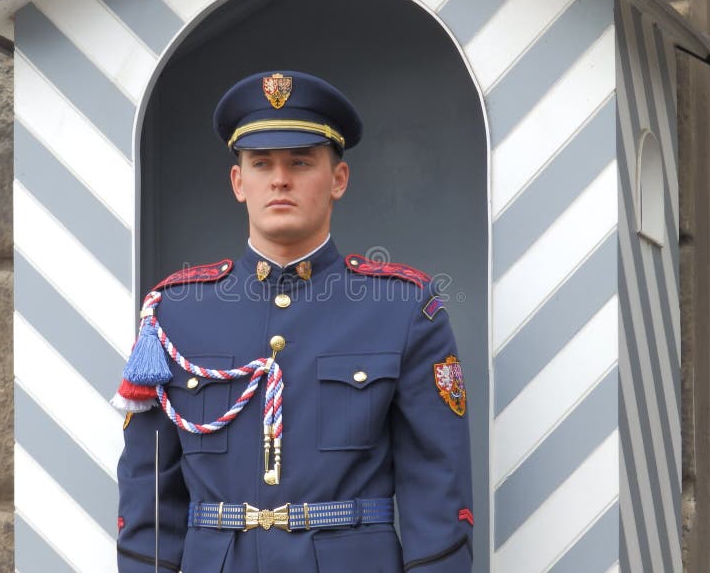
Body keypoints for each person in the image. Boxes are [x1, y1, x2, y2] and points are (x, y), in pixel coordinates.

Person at [112, 71, 473, 573]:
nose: (279, 179)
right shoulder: (174, 313)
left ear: (338, 179)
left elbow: (438, 490)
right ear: (238, 182)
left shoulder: (403, 309)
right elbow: (148, 491)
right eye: (261, 163)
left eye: (300, 162)